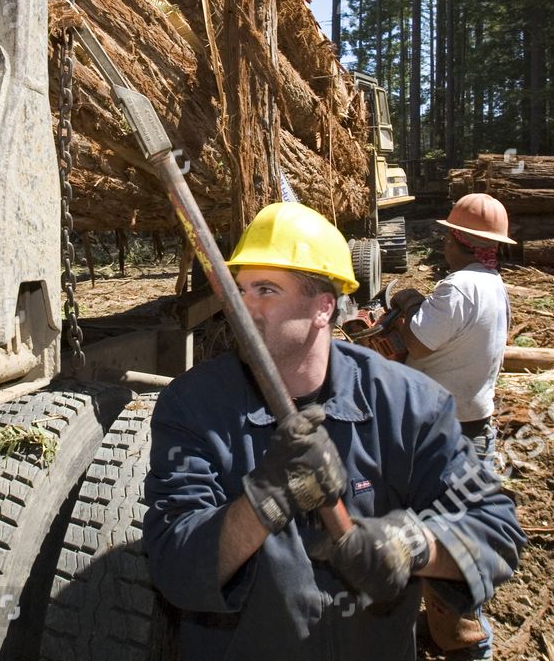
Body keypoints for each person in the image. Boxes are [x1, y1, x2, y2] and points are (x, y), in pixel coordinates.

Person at [143, 201, 524, 661]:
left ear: (324, 307)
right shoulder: (194, 406)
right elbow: (174, 566)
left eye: (266, 290)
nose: (244, 309)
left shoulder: (406, 404)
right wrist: (264, 499)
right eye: (240, 290)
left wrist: (409, 545)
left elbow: (495, 531)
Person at [385, 192, 517, 656]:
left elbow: (417, 346)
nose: (443, 244)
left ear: (457, 240)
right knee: (460, 533)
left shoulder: (458, 287)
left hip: (443, 435)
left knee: (442, 541)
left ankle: (465, 640)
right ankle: (447, 621)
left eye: (447, 237)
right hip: (476, 425)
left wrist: (403, 305)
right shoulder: (493, 283)